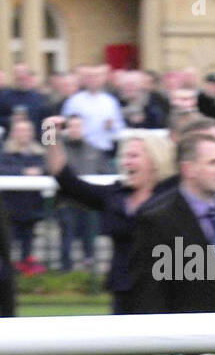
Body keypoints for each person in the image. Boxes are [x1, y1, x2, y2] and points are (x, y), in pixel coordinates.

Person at [45, 118, 175, 313]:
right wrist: (49, 133)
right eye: (125, 156)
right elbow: (65, 179)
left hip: (164, 292)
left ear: (155, 160)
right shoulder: (115, 194)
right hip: (123, 291)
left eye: (134, 156)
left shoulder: (173, 195)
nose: (126, 161)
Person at [126, 131, 215, 313]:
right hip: (191, 336)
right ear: (189, 169)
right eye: (214, 163)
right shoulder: (157, 221)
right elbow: (149, 295)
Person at [53, 115, 111, 272]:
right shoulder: (60, 149)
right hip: (66, 201)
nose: (75, 129)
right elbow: (50, 160)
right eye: (72, 126)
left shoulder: (94, 150)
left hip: (88, 202)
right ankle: (65, 270)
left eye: (78, 126)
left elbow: (106, 172)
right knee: (68, 232)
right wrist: (49, 130)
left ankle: (89, 269)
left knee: (89, 232)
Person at [0, 117, 47, 275]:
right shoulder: (5, 153)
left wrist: (38, 171)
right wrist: (23, 172)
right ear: (13, 133)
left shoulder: (39, 153)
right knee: (8, 242)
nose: (23, 134)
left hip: (32, 207)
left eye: (26, 130)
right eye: (20, 130)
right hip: (10, 208)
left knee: (28, 242)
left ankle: (27, 271)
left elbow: (47, 168)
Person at [60, 65, 124, 158]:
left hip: (105, 150)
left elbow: (120, 126)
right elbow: (65, 126)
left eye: (97, 76)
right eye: (90, 77)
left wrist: (112, 125)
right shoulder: (74, 101)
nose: (93, 80)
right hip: (81, 151)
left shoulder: (110, 101)